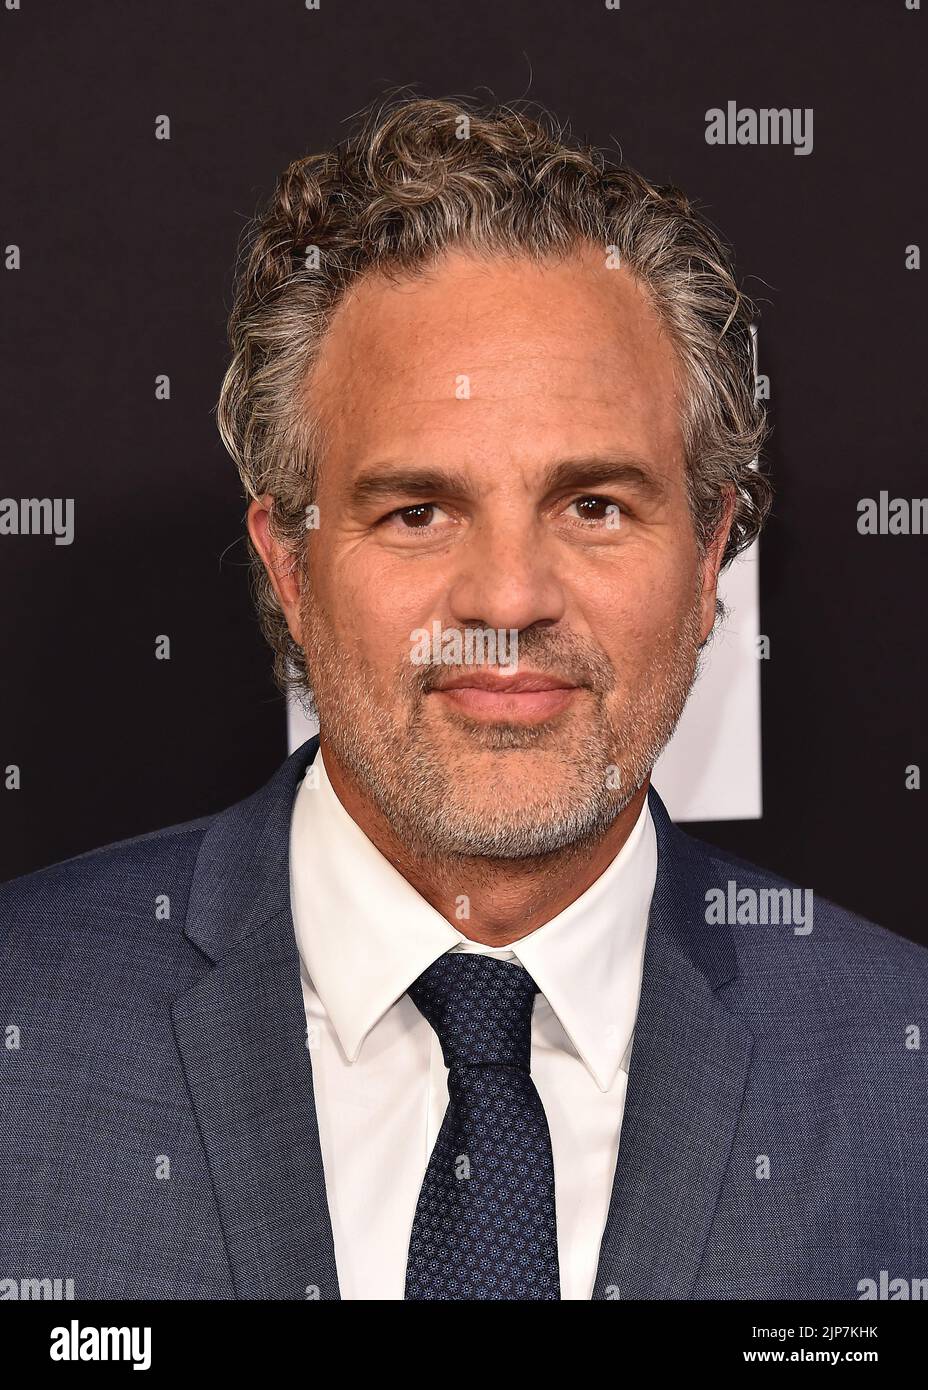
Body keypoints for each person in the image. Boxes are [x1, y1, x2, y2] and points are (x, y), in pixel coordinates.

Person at [2, 96, 925, 1301]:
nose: (507, 595)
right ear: (288, 564)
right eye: (417, 511)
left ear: (707, 564)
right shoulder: (27, 1027)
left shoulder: (899, 1077)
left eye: (594, 504)